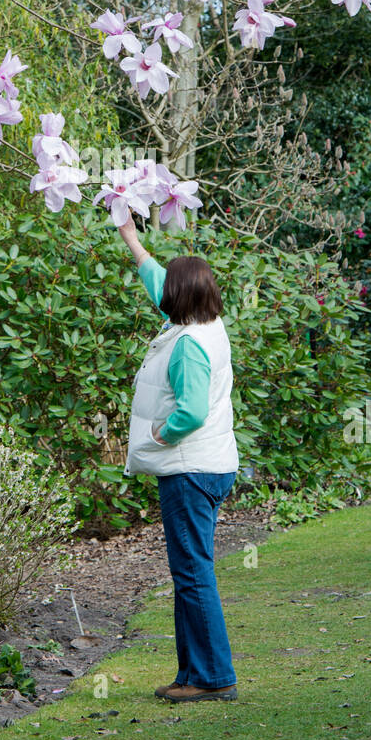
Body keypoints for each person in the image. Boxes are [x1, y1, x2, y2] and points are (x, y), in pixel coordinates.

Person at [117, 214, 239, 703]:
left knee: (192, 572)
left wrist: (158, 434)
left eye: (169, 288)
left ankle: (214, 678)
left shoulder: (187, 345)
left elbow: (188, 412)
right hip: (210, 464)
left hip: (190, 468)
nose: (161, 292)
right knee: (191, 570)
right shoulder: (206, 324)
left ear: (180, 298)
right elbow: (154, 280)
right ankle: (193, 675)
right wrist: (129, 235)